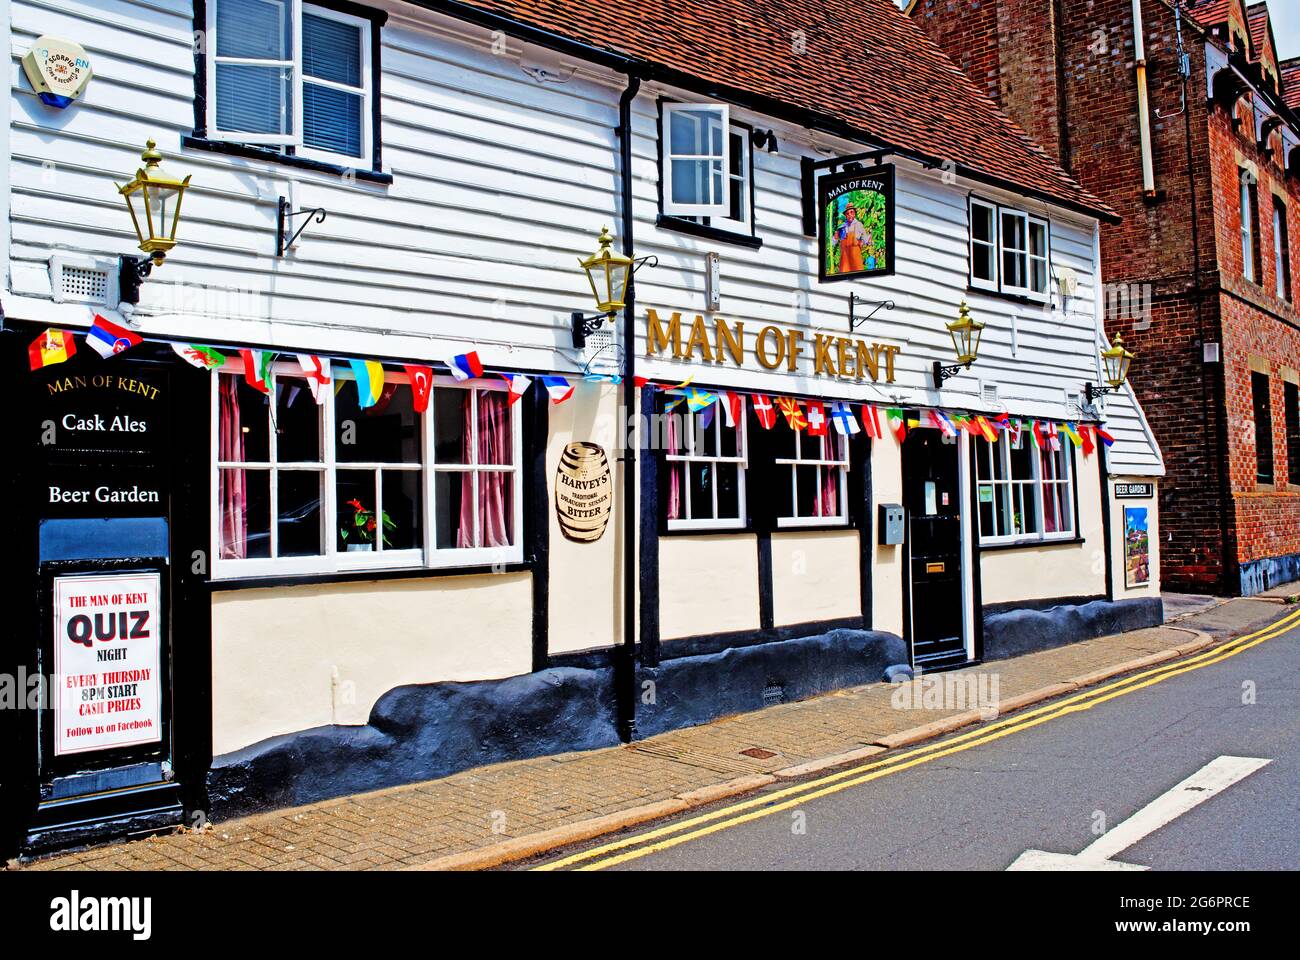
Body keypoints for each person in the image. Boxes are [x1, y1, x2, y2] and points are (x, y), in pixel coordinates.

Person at [834, 202, 870, 274]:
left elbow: (866, 239)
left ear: (854, 213)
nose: (849, 214)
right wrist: (835, 238)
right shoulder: (842, 227)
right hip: (845, 258)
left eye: (851, 212)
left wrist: (862, 242)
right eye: (847, 213)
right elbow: (834, 241)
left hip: (856, 256)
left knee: (858, 274)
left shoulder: (859, 225)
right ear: (845, 215)